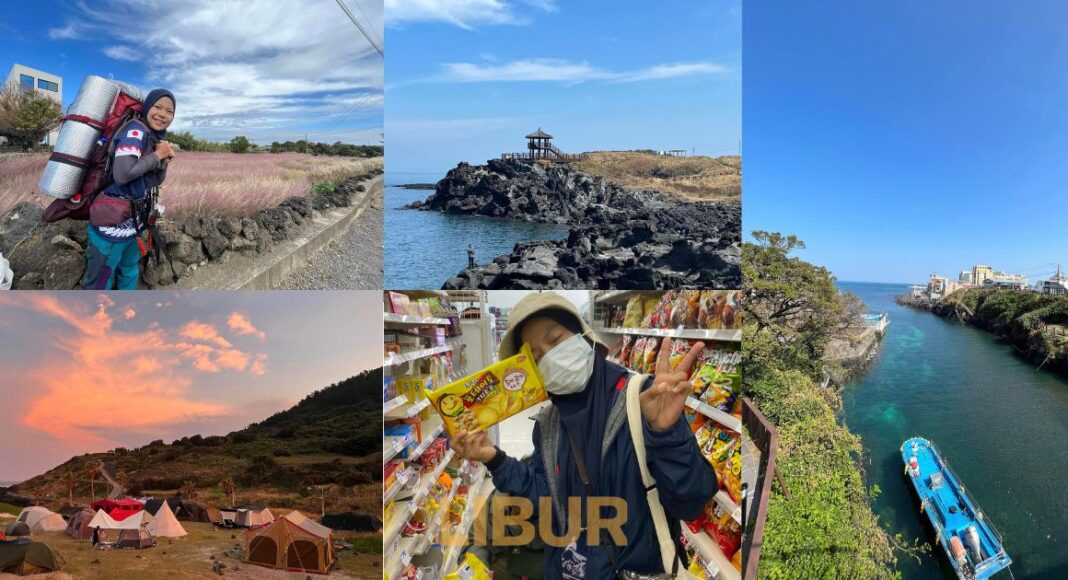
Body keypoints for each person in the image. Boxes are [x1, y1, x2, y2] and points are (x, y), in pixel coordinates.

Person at [452, 292, 717, 579]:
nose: (549, 357)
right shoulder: (549, 424)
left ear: (582, 335)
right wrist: (494, 459)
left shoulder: (644, 401)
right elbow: (548, 504)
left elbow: (691, 504)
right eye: (536, 356)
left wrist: (667, 435)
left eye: (555, 340)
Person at [83, 88, 176, 290]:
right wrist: (157, 156)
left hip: (134, 224)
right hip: (112, 226)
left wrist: (163, 162)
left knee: (129, 270)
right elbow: (122, 175)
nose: (163, 114)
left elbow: (155, 182)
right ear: (147, 107)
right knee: (101, 279)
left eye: (169, 111)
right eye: (157, 107)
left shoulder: (152, 137)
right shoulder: (135, 131)